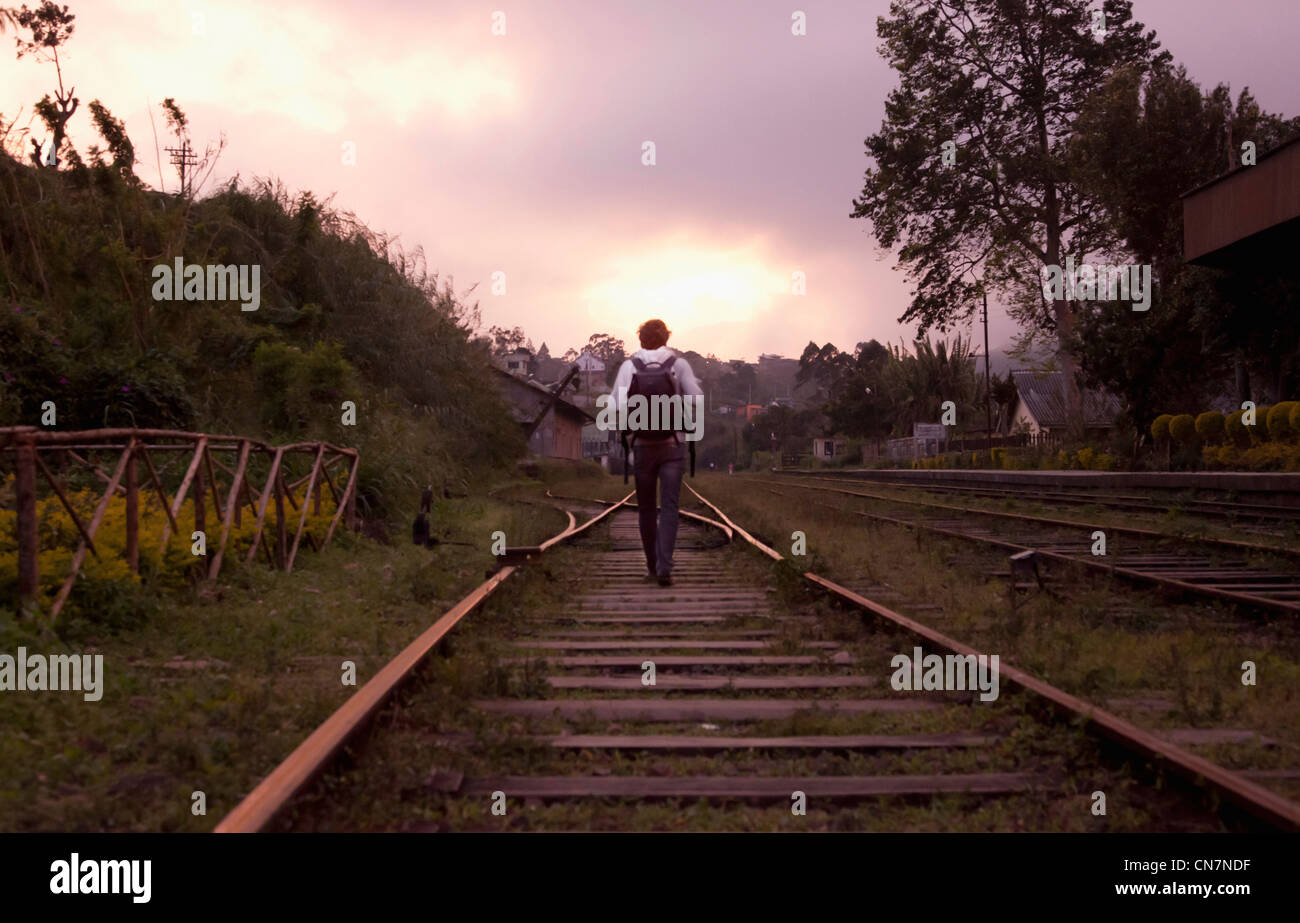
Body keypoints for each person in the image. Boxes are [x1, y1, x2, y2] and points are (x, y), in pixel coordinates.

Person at [611, 319, 704, 587]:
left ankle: (651, 567)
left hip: (642, 447)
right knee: (670, 508)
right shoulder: (678, 365)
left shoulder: (630, 366)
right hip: (672, 446)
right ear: (665, 338)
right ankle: (665, 567)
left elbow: (616, 404)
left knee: (646, 510)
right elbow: (695, 399)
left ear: (641, 340)